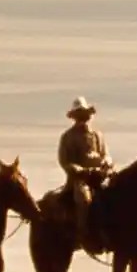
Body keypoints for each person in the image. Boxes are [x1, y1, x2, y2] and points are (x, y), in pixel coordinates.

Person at [58, 97, 114, 255]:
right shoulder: (68, 137)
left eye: (85, 115)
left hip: (100, 176)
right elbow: (65, 161)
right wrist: (81, 170)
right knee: (84, 199)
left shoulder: (97, 135)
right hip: (81, 179)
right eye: (80, 115)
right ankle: (83, 233)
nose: (83, 118)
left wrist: (106, 163)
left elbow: (106, 154)